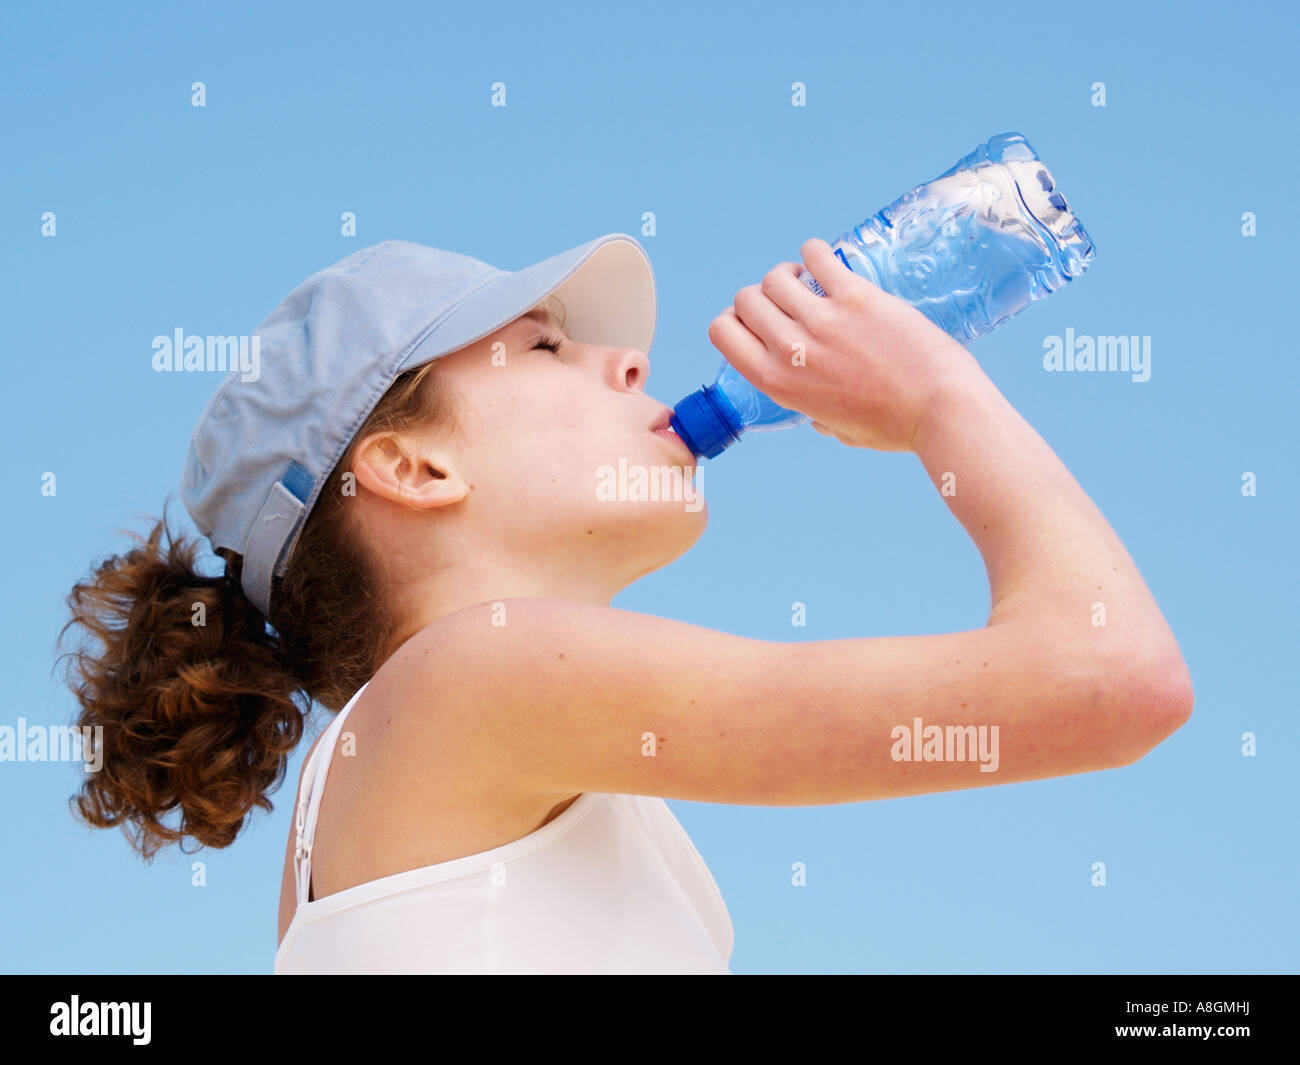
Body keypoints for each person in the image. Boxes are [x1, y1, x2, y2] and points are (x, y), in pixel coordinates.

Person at [59, 234, 1193, 974]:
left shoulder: (410, 761)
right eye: (546, 348)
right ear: (412, 470)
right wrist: (941, 400)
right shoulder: (475, 679)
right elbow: (1110, 682)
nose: (630, 365)